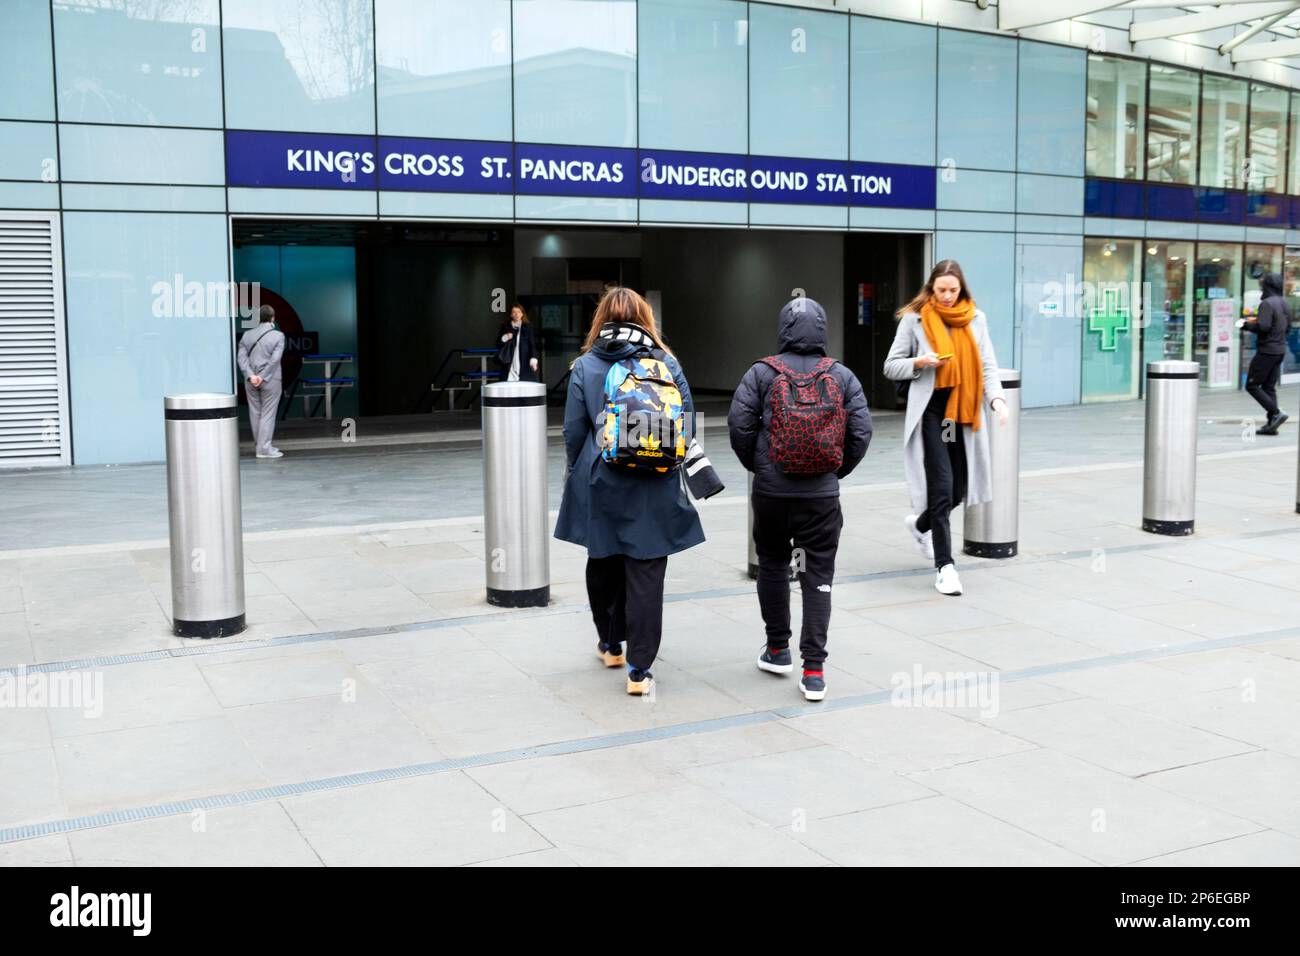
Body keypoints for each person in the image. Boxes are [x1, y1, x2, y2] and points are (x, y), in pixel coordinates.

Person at [554, 287, 705, 696]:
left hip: (601, 480)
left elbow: (573, 431)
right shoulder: (666, 363)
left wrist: (576, 472)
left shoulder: (585, 366)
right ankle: (640, 671)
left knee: (602, 561)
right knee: (646, 571)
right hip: (655, 481)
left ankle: (611, 643)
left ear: (601, 319)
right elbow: (687, 422)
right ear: (645, 318)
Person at [727, 297, 872, 702]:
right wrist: (833, 472)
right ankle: (814, 670)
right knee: (817, 575)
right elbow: (860, 433)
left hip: (772, 493)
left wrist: (761, 466)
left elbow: (740, 427)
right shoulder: (842, 376)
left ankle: (777, 650)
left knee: (773, 564)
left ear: (783, 330)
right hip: (821, 497)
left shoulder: (762, 372)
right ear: (822, 330)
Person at [883, 260, 1009, 597]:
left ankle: (921, 524)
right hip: (932, 412)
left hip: (960, 415)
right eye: (942, 290)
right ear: (931, 288)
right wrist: (920, 362)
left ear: (962, 288)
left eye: (953, 290)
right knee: (941, 486)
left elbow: (987, 365)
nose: (948, 296)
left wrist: (996, 400)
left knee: (957, 491)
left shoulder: (976, 319)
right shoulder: (915, 319)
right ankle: (945, 567)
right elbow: (890, 366)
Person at [1240, 273, 1291, 435]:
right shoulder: (1285, 303)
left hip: (1267, 351)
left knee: (1252, 385)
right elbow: (1287, 328)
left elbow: (1263, 327)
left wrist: (1246, 325)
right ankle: (1271, 425)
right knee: (1269, 387)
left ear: (1267, 286)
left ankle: (1276, 413)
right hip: (1280, 350)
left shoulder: (1267, 304)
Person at [237, 305, 286, 459]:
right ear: (273, 317)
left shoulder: (247, 335)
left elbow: (241, 359)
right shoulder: (278, 336)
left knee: (255, 412)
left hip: (251, 381)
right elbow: (275, 359)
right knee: (268, 414)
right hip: (270, 380)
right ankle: (264, 449)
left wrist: (251, 376)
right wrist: (263, 376)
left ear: (258, 318)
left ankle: (261, 446)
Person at [496, 303, 539, 383]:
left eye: (518, 312)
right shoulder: (506, 326)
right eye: (514, 312)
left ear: (522, 314)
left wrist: (533, 359)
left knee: (524, 384)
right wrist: (505, 337)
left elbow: (532, 344)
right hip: (509, 361)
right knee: (508, 385)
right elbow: (498, 343)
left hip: (524, 359)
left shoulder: (528, 326)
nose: (516, 314)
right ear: (511, 314)